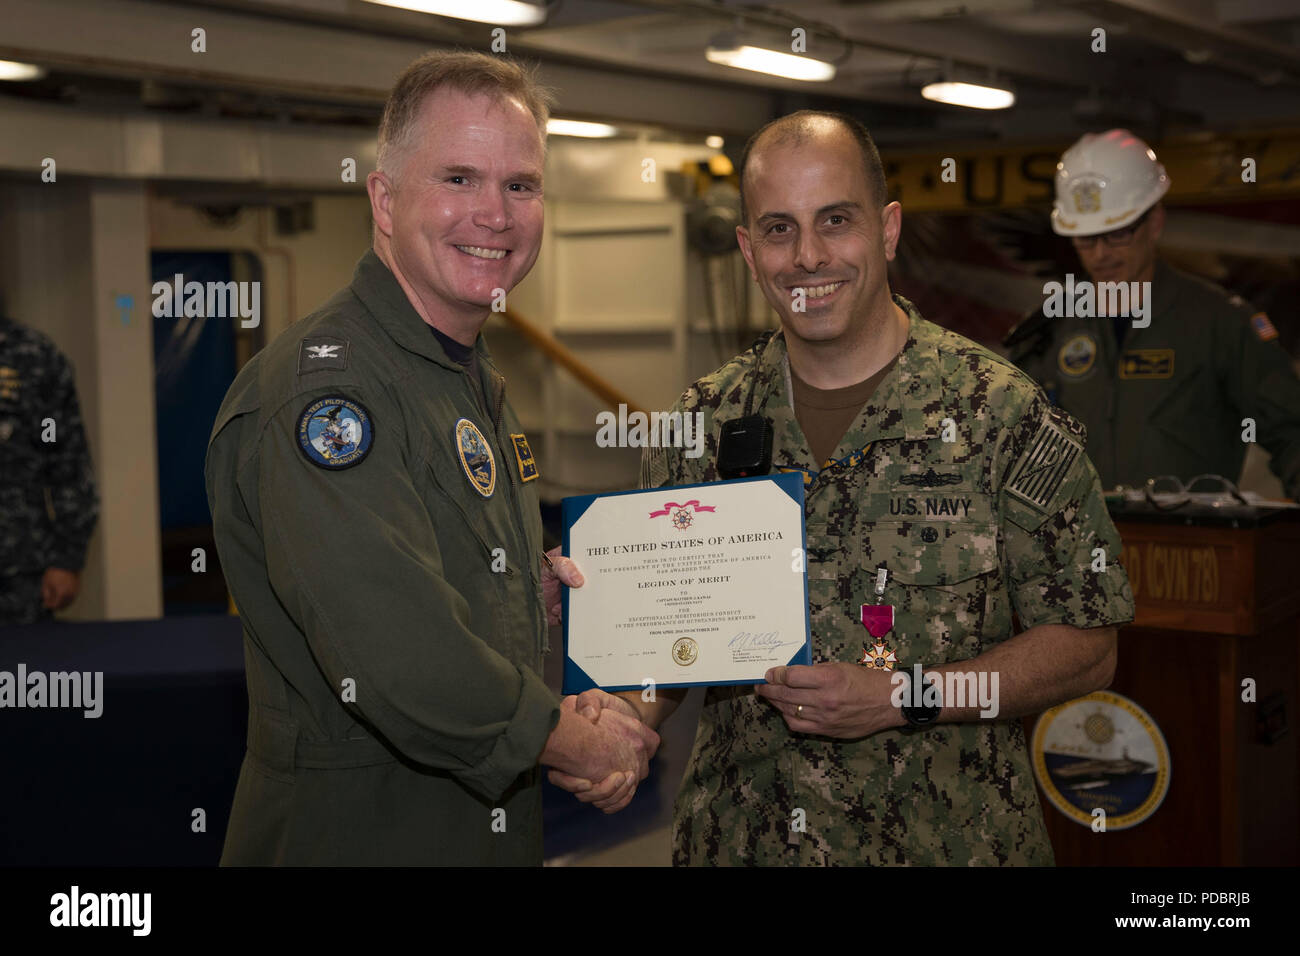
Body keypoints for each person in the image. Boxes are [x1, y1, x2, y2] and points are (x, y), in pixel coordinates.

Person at [552, 111, 1136, 865]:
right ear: (748, 251)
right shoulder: (701, 422)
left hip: (955, 843)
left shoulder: (998, 412)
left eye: (836, 220)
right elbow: (670, 648)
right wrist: (630, 721)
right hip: (743, 843)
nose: (808, 257)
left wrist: (908, 696)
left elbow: (1088, 646)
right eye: (778, 229)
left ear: (888, 230)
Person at [204, 51, 656, 866]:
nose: (495, 215)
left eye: (520, 185)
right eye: (458, 178)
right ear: (384, 199)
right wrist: (573, 740)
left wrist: (519, 590)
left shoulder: (460, 376)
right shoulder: (331, 396)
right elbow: (400, 658)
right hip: (362, 833)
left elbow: (421, 580)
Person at [1004, 129, 1300, 499]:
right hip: (1073, 550)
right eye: (1086, 238)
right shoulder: (1048, 330)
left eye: (1117, 234)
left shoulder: (1219, 322)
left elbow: (1292, 430)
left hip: (1189, 549)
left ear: (1155, 222)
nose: (1100, 254)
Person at [0, 314, 99, 626]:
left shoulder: (34, 355)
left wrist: (66, 559)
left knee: (23, 671)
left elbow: (68, 462)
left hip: (17, 574)